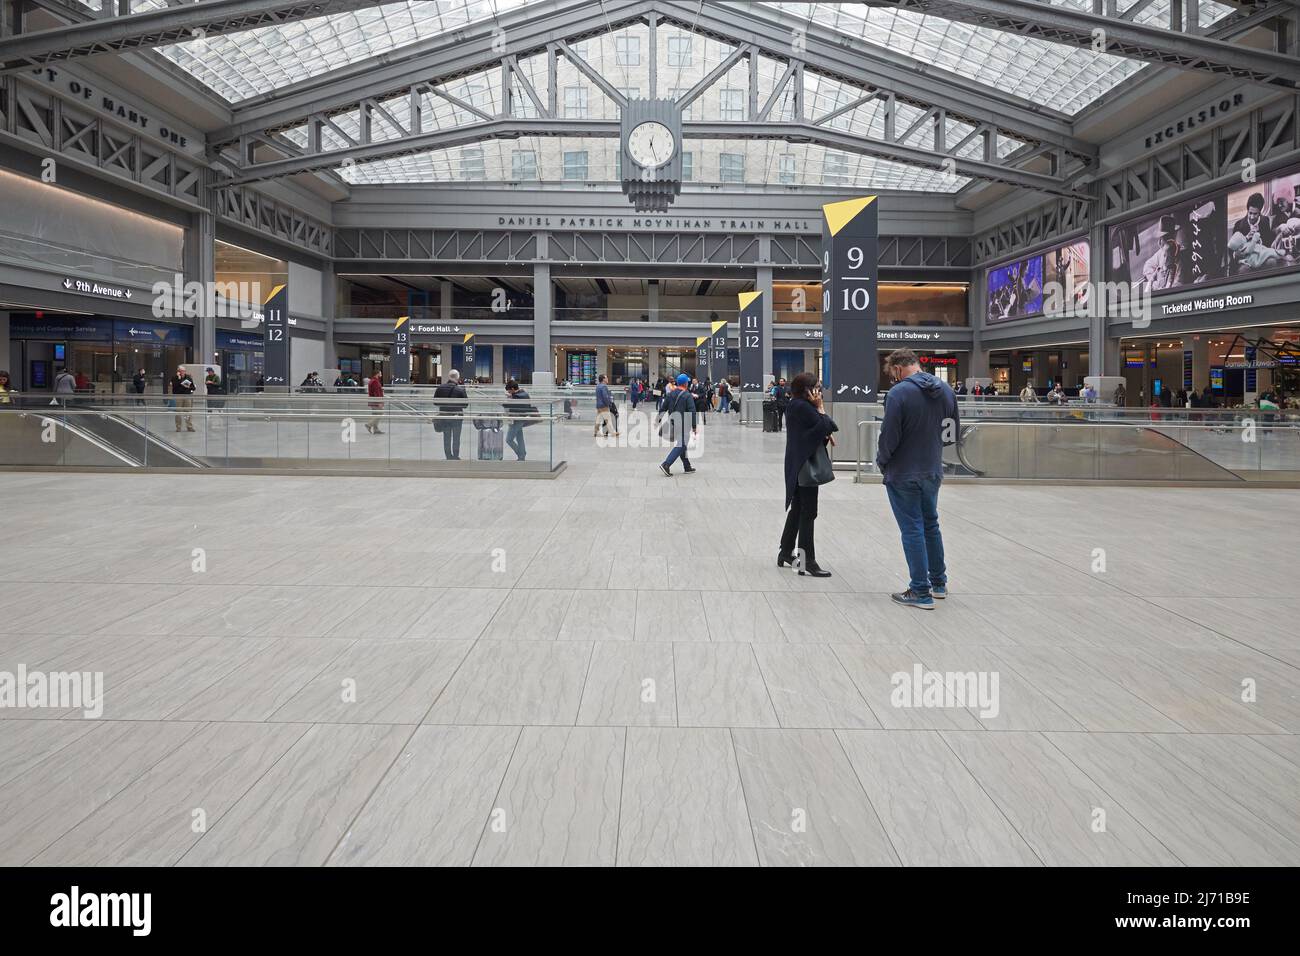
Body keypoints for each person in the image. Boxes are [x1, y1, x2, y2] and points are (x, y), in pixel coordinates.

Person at [876, 348, 959, 611]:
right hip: (932, 468)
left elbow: (889, 435)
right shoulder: (946, 389)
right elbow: (952, 432)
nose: (894, 379)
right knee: (930, 524)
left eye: (893, 375)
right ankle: (938, 583)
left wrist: (882, 460)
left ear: (899, 369)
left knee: (911, 527)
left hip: (903, 471)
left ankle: (920, 591)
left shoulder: (898, 393)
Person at [778, 373, 837, 578]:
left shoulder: (796, 405)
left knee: (798, 509)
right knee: (808, 512)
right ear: (807, 389)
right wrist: (821, 407)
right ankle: (807, 561)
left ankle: (786, 552)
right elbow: (827, 425)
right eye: (817, 387)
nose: (819, 391)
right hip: (805, 466)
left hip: (798, 462)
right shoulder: (803, 407)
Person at [658, 373, 697, 477]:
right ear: (685, 383)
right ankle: (666, 464)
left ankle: (687, 466)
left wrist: (658, 418)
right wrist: (694, 426)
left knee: (682, 444)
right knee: (681, 445)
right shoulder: (687, 395)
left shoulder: (671, 394)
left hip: (674, 423)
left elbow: (663, 407)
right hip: (684, 424)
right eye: (687, 382)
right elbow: (692, 411)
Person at [433, 368, 468, 459]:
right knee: (456, 438)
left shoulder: (440, 388)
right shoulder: (460, 390)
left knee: (447, 437)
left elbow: (435, 402)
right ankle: (456, 456)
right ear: (458, 377)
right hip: (457, 417)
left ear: (449, 377)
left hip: (444, 416)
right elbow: (465, 405)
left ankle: (448, 456)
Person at [503, 379, 536, 461]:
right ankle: (522, 455)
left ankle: (521, 453)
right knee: (519, 438)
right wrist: (511, 396)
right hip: (521, 418)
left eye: (509, 391)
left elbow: (509, 405)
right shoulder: (523, 393)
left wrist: (506, 401)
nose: (509, 393)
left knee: (509, 439)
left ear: (513, 389)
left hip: (517, 419)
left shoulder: (517, 396)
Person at [171, 365, 196, 432]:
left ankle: (189, 426)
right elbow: (174, 387)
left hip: (187, 396)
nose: (182, 372)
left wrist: (189, 389)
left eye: (183, 371)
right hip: (178, 396)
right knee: (178, 412)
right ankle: (178, 427)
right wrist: (179, 379)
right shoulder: (174, 378)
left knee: (188, 412)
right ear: (178, 371)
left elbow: (193, 388)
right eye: (180, 371)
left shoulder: (188, 378)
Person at [594, 374, 616, 438]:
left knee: (598, 419)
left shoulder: (598, 386)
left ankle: (596, 432)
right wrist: (608, 404)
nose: (607, 379)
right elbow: (605, 397)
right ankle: (613, 433)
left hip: (598, 405)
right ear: (603, 379)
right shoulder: (604, 386)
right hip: (604, 406)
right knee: (608, 420)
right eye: (606, 378)